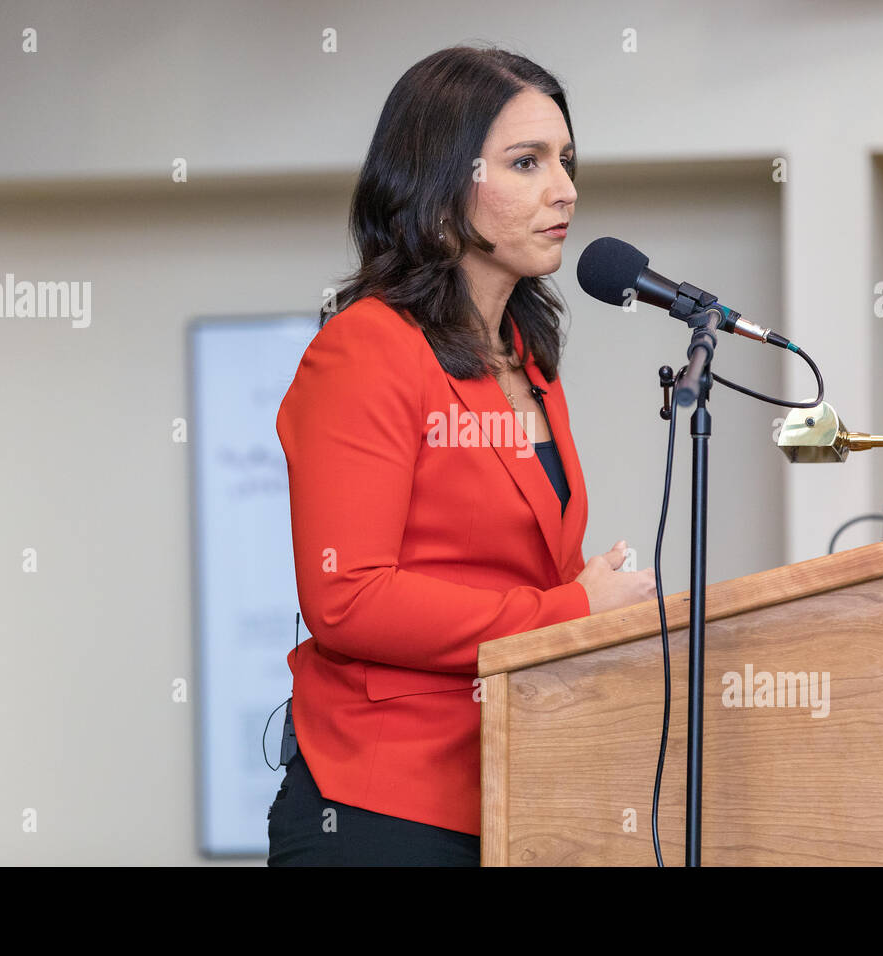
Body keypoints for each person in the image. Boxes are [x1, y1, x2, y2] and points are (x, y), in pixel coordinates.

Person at [267, 43, 656, 866]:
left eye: (566, 161)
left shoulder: (527, 353)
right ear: (442, 183)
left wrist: (593, 593)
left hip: (519, 787)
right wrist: (573, 610)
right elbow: (347, 596)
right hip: (386, 805)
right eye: (527, 162)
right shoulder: (366, 348)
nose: (566, 189)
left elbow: (501, 564)